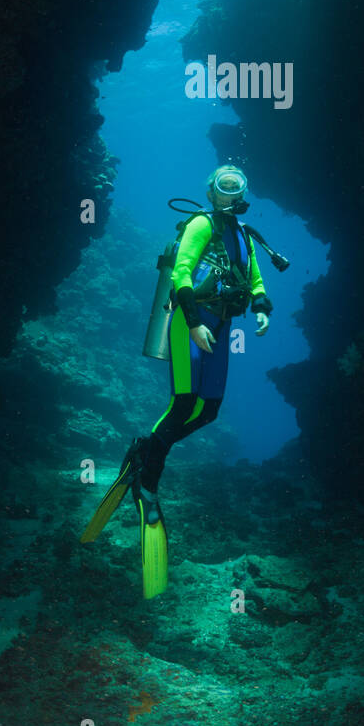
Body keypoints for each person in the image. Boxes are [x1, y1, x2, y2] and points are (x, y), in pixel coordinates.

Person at [81, 165, 275, 598]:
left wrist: (262, 305)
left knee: (210, 410)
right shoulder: (202, 224)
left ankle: (141, 453)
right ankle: (147, 480)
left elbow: (255, 274)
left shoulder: (242, 233)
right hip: (192, 323)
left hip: (222, 326)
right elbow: (181, 271)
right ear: (210, 192)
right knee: (184, 401)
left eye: (236, 186)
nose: (230, 192)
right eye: (222, 186)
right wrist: (191, 322)